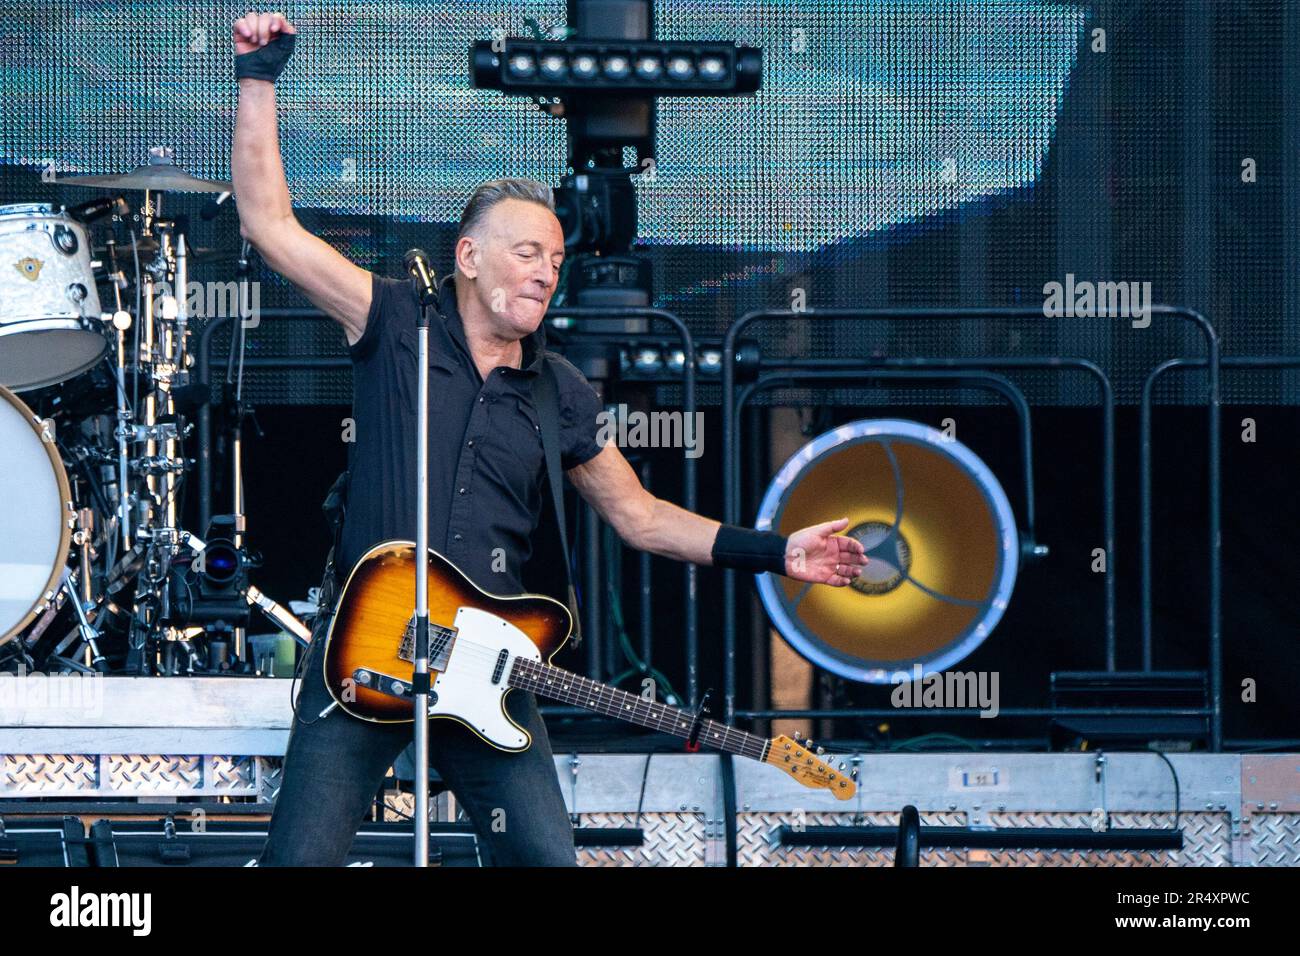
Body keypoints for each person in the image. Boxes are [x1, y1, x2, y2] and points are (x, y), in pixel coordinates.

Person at [230, 11, 868, 866]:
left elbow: (637, 516)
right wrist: (259, 79)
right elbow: (271, 227)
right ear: (468, 257)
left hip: (487, 662)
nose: (544, 270)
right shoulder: (396, 325)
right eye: (527, 251)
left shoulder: (557, 387)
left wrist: (776, 551)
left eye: (556, 260)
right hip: (363, 649)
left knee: (543, 857)